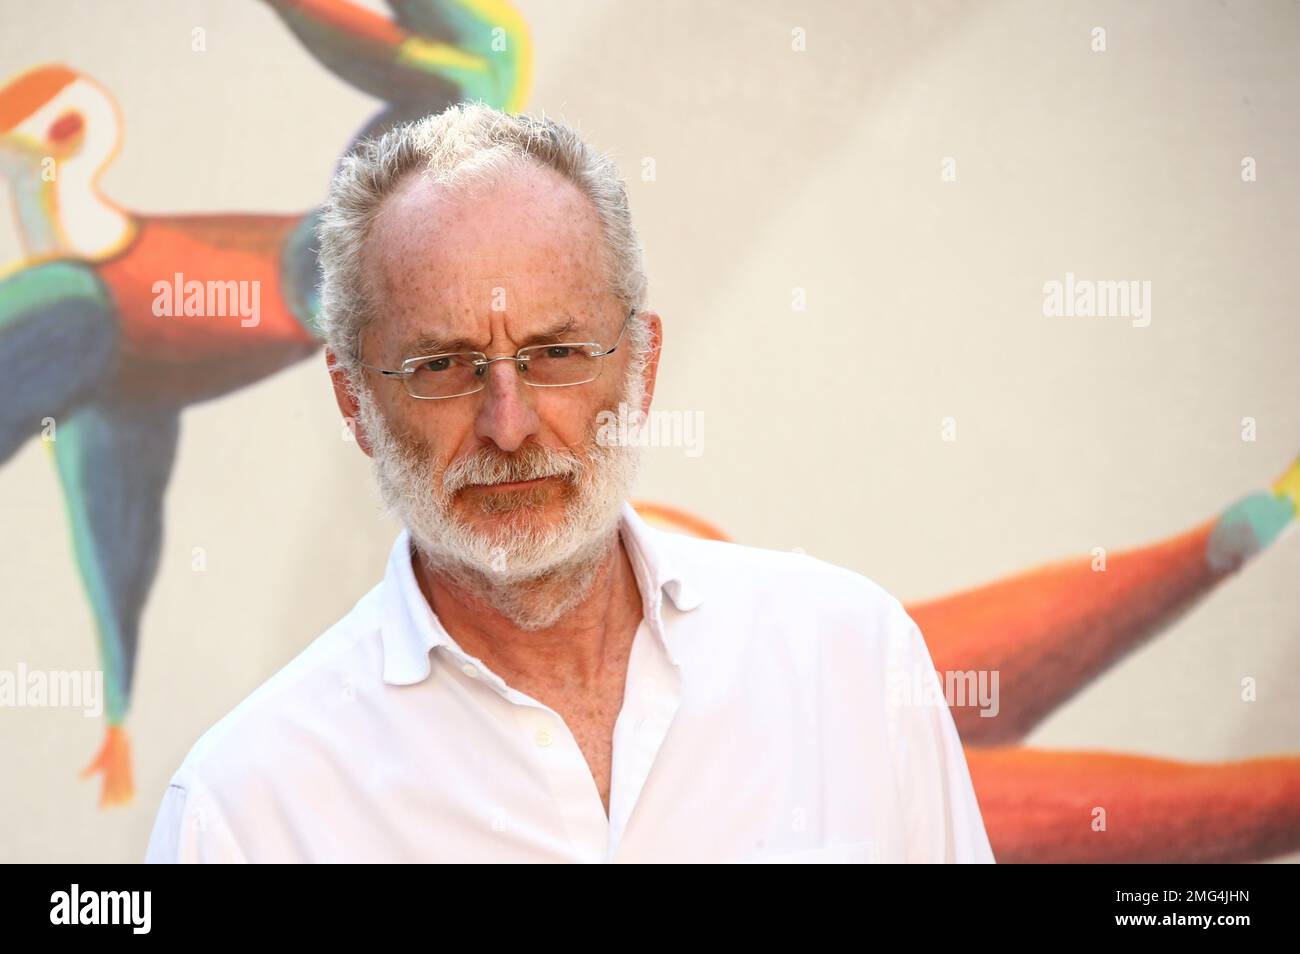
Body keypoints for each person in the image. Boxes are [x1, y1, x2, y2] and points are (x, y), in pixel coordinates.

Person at [144, 102, 995, 863]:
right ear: (356, 403)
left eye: (556, 353)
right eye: (445, 365)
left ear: (643, 366)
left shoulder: (851, 661)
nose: (507, 424)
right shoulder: (246, 811)